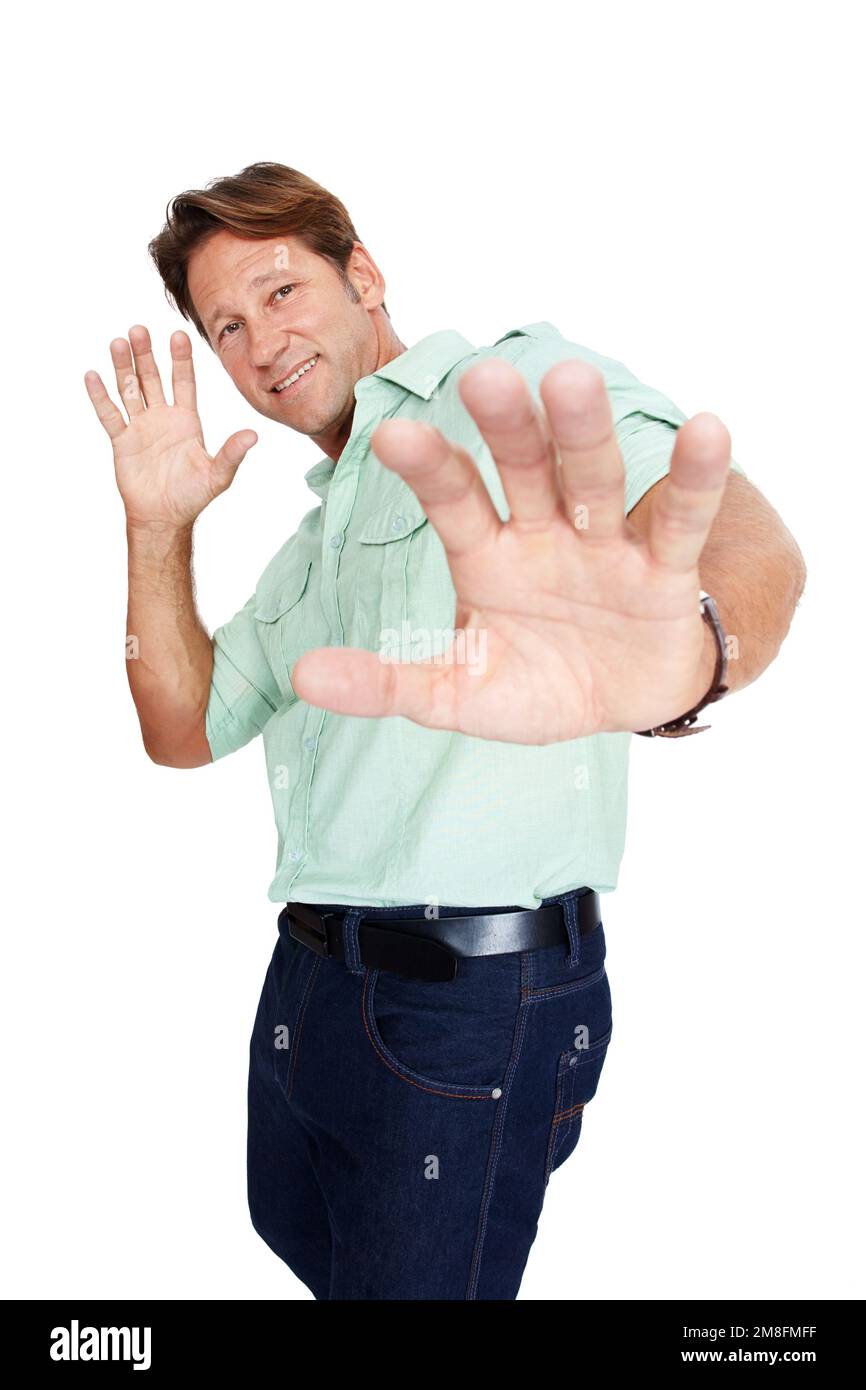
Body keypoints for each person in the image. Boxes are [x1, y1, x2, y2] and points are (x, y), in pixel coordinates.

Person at [84, 162, 806, 1300]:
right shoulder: (314, 543)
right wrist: (155, 529)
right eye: (225, 324)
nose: (258, 341)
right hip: (314, 986)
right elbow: (178, 726)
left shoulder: (506, 386)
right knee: (307, 1245)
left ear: (362, 273)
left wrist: (684, 657)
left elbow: (749, 543)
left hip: (467, 1002)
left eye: (280, 291)